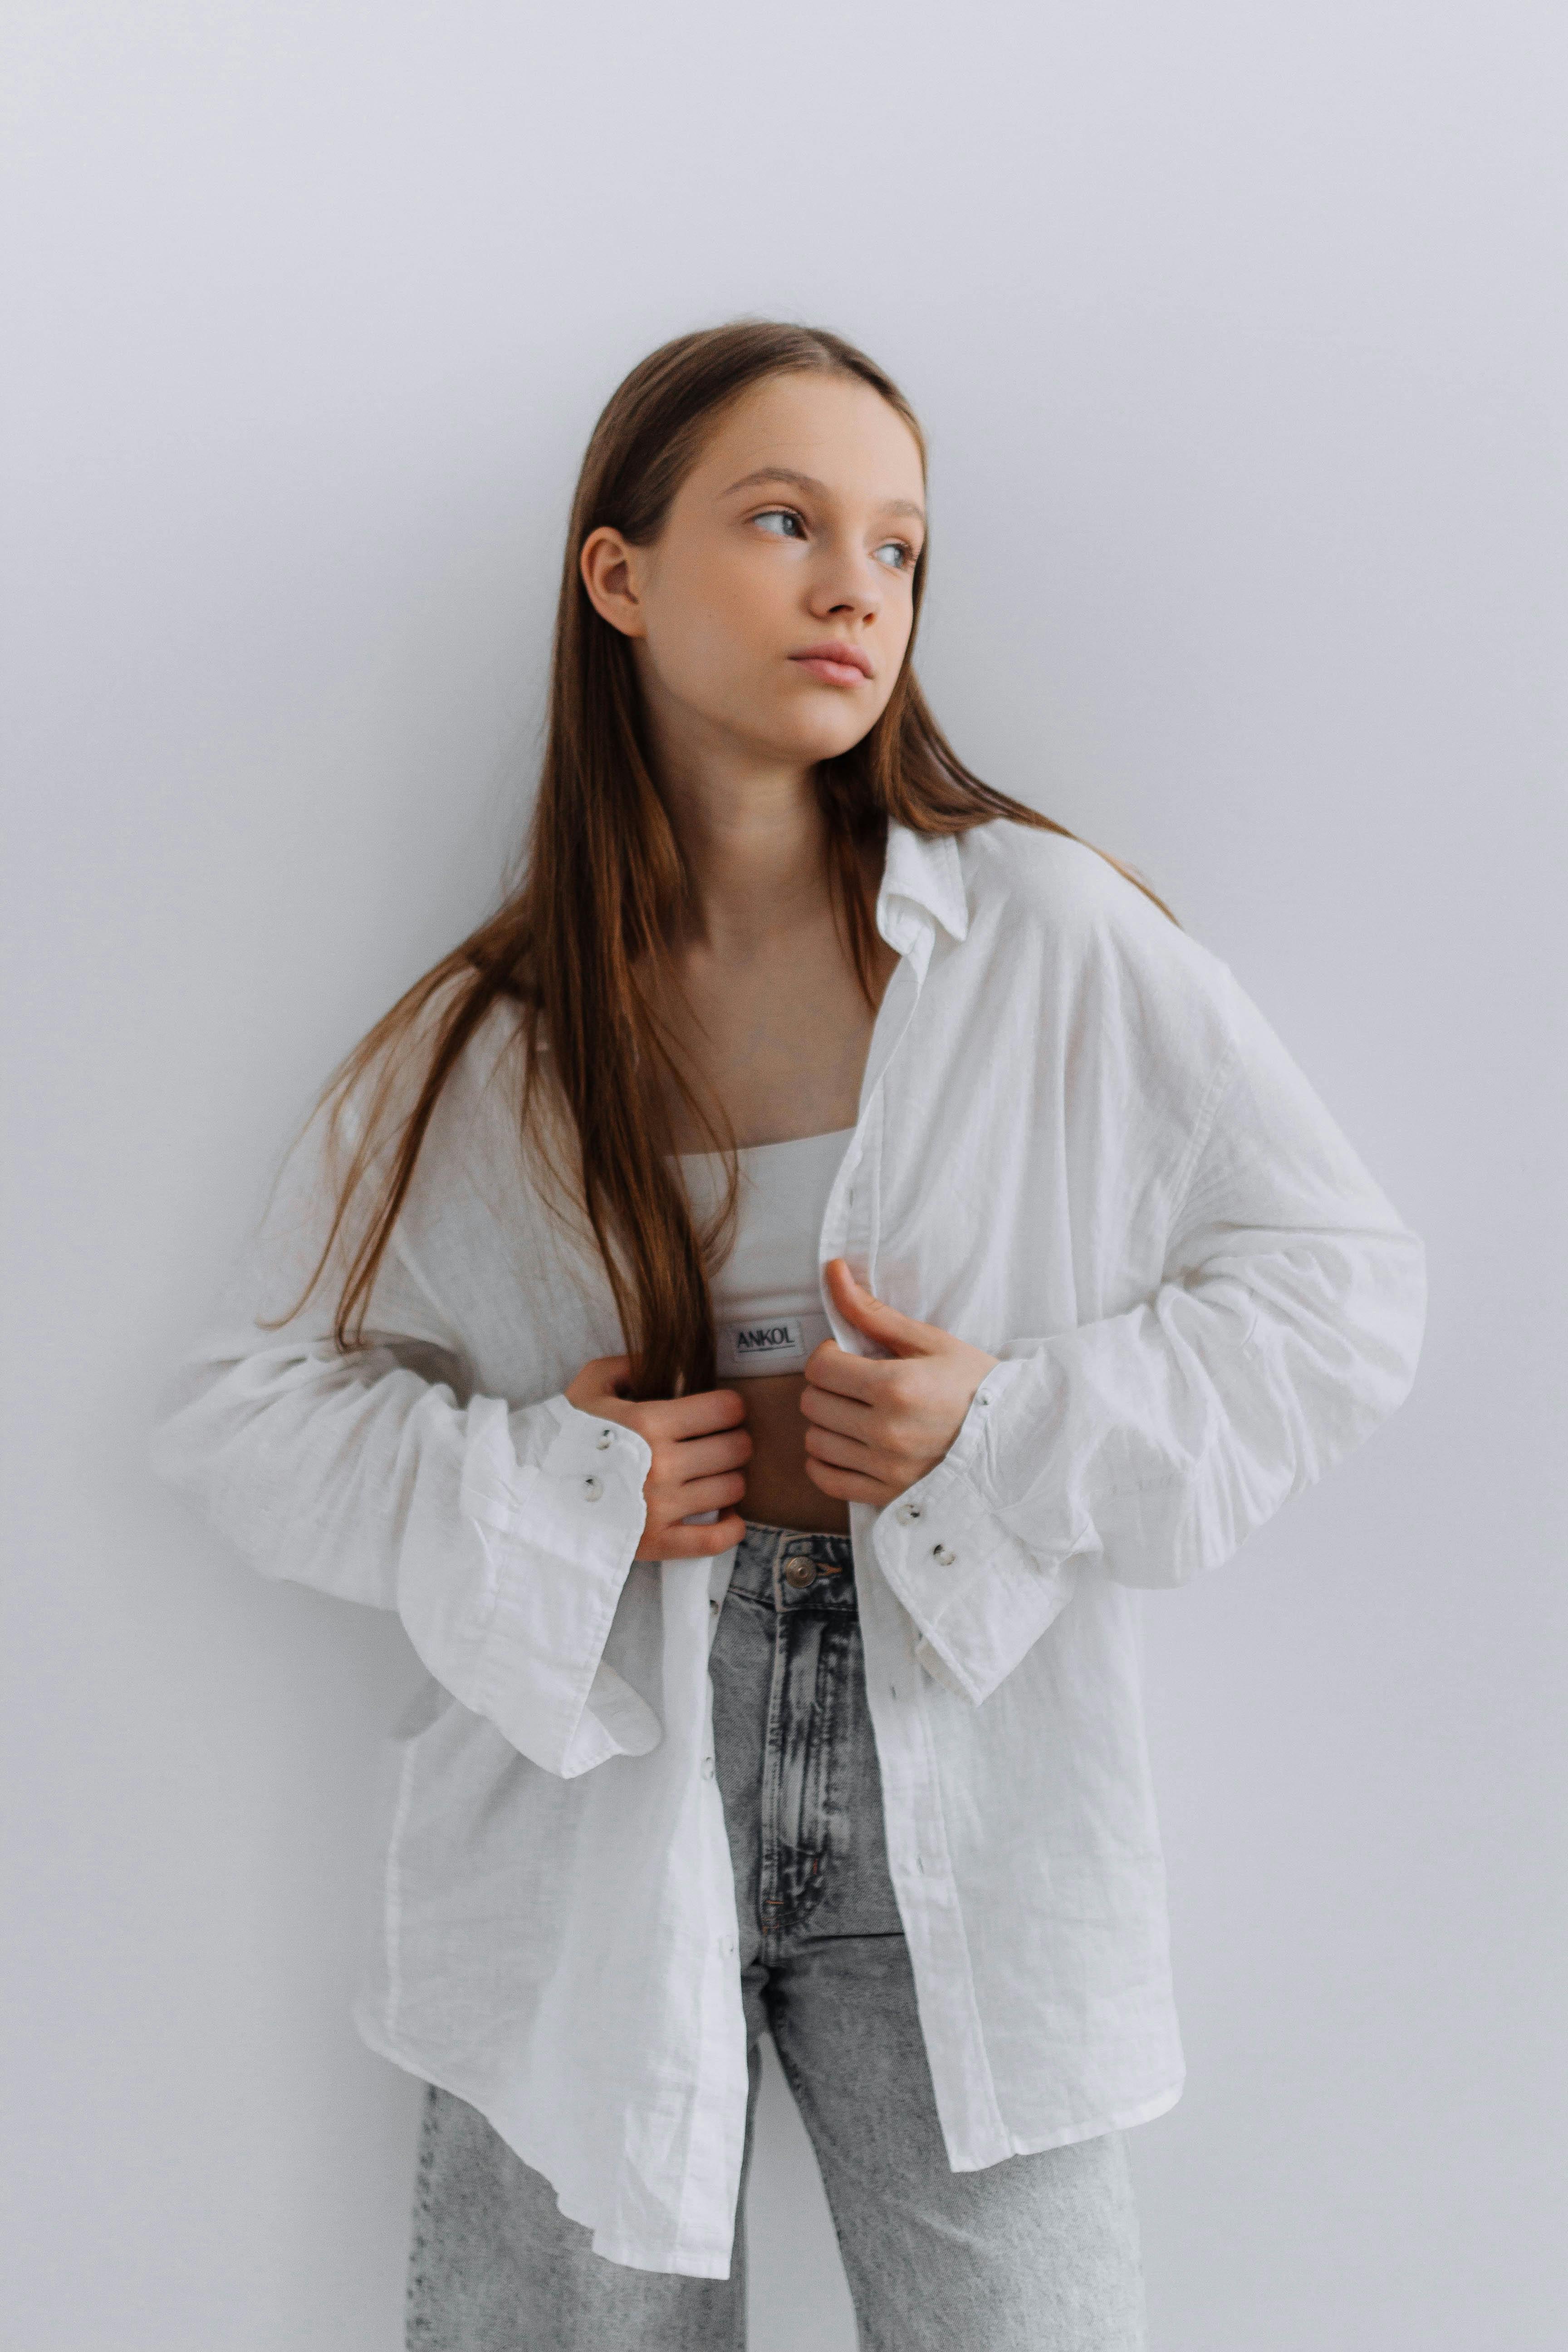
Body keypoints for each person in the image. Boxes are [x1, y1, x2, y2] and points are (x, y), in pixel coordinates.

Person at [148, 320, 1426, 2351]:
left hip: (965, 1771)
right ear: (620, 577)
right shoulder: (495, 1039)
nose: (857, 587)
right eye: (784, 520)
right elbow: (246, 1414)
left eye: (900, 546)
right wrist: (553, 1489)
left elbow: (1343, 1288)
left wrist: (1006, 1427)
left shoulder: (1045, 937)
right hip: (601, 1784)